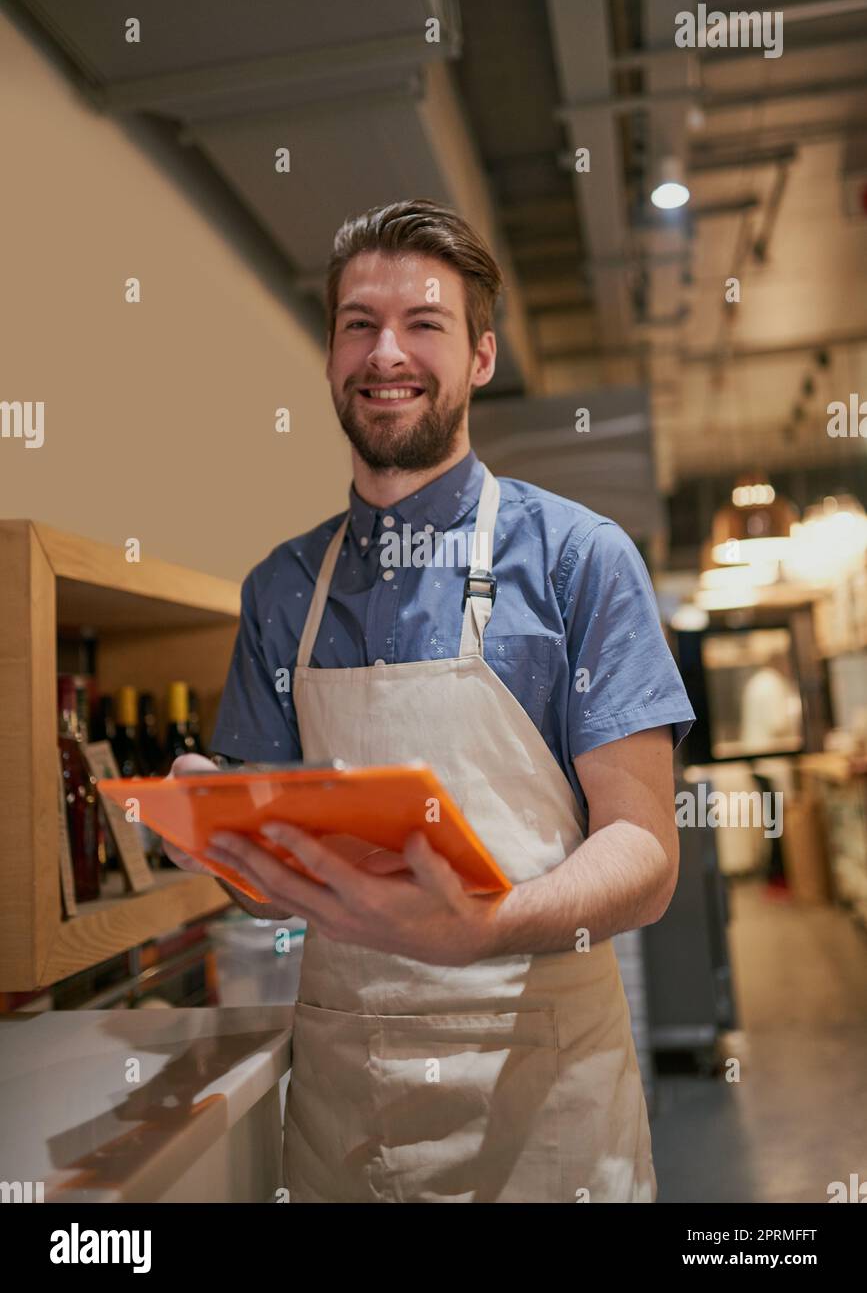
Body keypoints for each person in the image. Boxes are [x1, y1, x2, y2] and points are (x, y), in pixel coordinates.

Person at [164, 198, 695, 1203]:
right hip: (345, 1104)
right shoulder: (282, 591)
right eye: (358, 324)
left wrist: (486, 927)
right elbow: (279, 886)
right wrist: (222, 841)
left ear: (482, 357)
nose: (385, 352)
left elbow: (646, 853)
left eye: (424, 324)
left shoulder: (580, 561)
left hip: (544, 1100)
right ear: (329, 355)